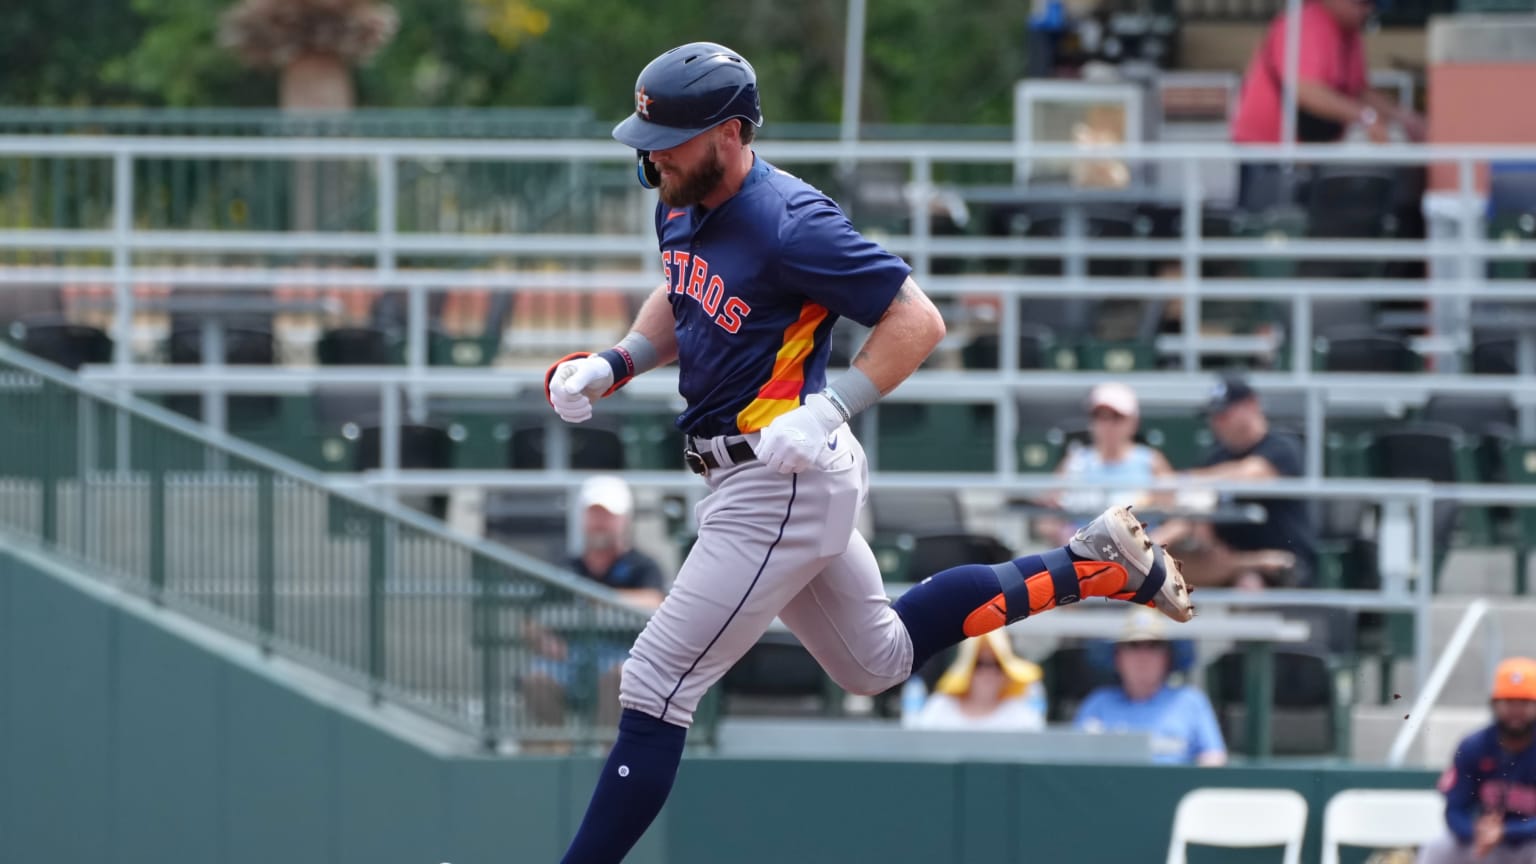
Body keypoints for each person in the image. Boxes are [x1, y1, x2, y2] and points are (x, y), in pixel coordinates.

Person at [543, 41, 1194, 864]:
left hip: (779, 473)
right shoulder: (680, 188)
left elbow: (917, 321)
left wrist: (830, 407)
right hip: (755, 469)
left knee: (655, 683)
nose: (654, 156)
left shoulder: (791, 221)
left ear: (732, 132)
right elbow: (683, 285)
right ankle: (1087, 565)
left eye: (671, 137)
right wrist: (619, 360)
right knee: (874, 661)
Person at [1229, 0, 1427, 211]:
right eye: (1362, 4)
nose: (1368, 10)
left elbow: (1358, 90)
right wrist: (1367, 118)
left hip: (1313, 152)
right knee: (1268, 226)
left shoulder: (1348, 33)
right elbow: (1306, 89)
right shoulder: (1307, 25)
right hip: (1270, 151)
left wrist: (1406, 119)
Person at [523, 476, 667, 730]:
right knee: (536, 678)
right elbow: (531, 619)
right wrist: (545, 641)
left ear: (624, 520)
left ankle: (608, 750)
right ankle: (555, 749)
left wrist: (601, 599)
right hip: (568, 656)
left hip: (622, 653)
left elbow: (655, 601)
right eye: (594, 514)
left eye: (608, 515)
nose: (600, 523)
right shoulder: (564, 566)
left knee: (623, 676)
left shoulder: (643, 565)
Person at [1151, 375, 1317, 590]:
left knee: (1249, 584)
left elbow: (1251, 474)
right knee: (1169, 568)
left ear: (1251, 405)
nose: (1217, 422)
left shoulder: (1282, 446)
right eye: (1214, 416)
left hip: (1285, 560)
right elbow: (1199, 515)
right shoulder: (1216, 457)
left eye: (1224, 414)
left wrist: (1186, 480)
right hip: (1230, 559)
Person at [1418, 657, 1536, 864]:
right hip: (1484, 842)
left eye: (1525, 703)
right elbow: (1454, 809)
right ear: (1494, 704)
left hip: (1529, 843)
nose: (1516, 711)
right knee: (1438, 850)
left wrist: (1506, 831)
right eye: (1508, 702)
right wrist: (1476, 831)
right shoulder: (1474, 746)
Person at [1075, 606, 1228, 766]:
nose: (1143, 656)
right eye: (1133, 645)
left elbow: (1214, 757)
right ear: (1117, 657)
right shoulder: (1098, 704)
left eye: (1154, 645)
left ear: (1168, 657)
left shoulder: (1190, 702)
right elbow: (1075, 757)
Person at [1041, 381, 1176, 545]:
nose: (1108, 425)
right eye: (1100, 417)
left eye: (1117, 417)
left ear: (1133, 422)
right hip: (1084, 557)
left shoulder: (1151, 461)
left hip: (1137, 560)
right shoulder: (1074, 462)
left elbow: (1179, 519)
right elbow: (1046, 519)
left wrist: (1149, 547)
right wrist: (1070, 542)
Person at [904, 630, 1047, 732]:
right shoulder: (940, 706)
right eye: (979, 664)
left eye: (997, 665)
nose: (988, 672)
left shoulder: (1019, 713)